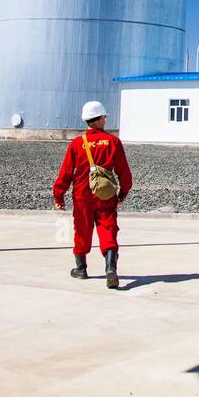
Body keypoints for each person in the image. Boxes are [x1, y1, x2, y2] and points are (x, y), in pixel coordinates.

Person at [54, 101, 133, 288]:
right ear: (99, 119)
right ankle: (111, 268)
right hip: (105, 194)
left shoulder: (77, 143)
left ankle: (81, 269)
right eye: (104, 116)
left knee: (82, 229)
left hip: (82, 194)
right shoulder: (113, 142)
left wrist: (59, 195)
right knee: (108, 229)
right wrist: (123, 193)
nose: (106, 119)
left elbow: (65, 172)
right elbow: (124, 172)